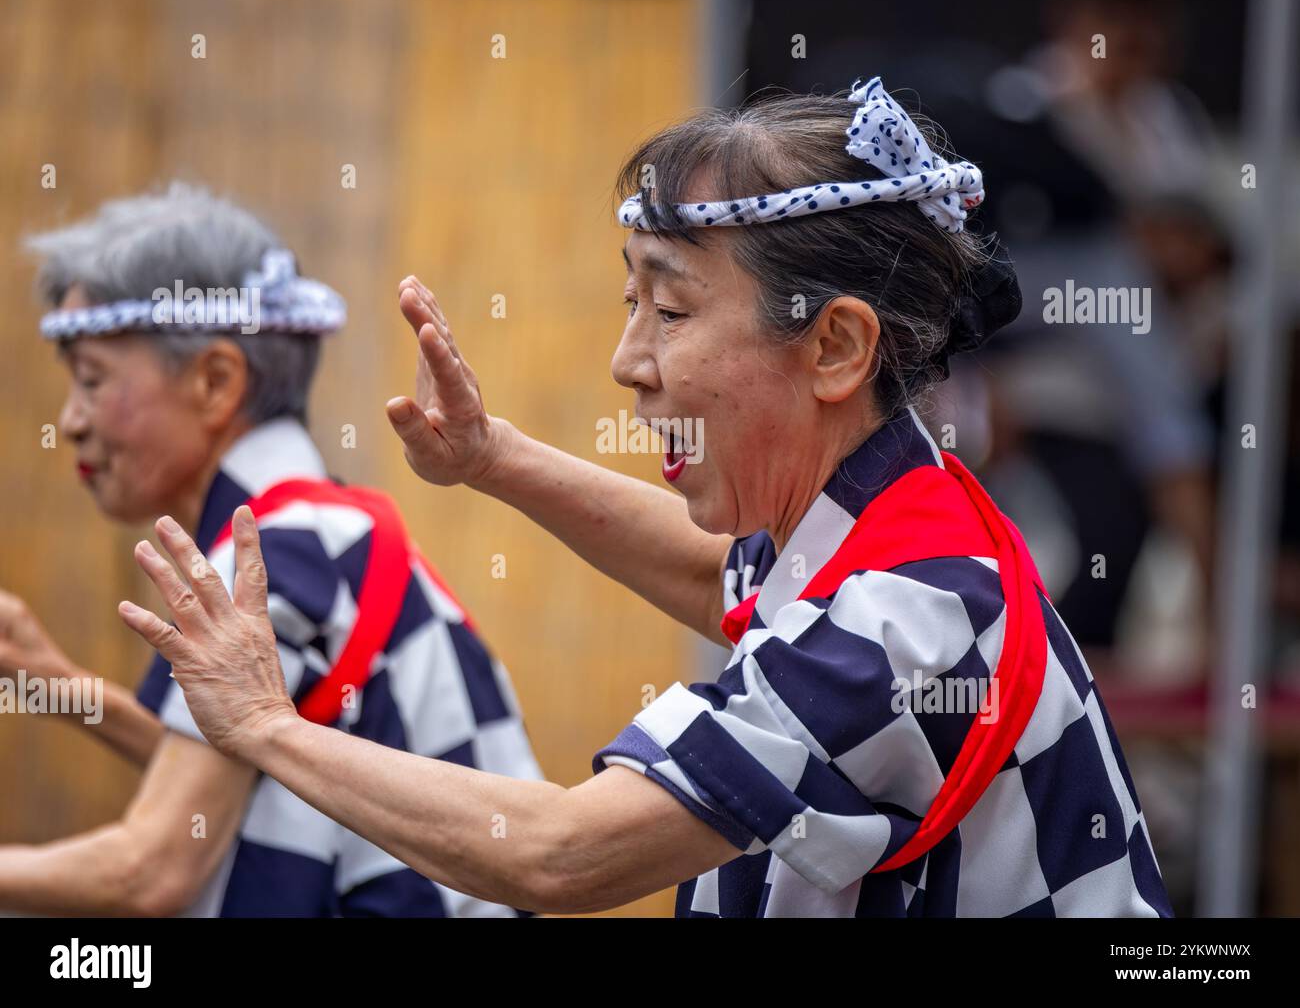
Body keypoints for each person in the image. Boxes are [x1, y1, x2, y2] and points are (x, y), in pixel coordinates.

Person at [119, 81, 1173, 917]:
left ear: (836, 345)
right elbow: (720, 575)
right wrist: (492, 459)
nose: (627, 361)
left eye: (670, 307)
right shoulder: (874, 516)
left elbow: (557, 855)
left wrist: (265, 723)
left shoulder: (909, 614)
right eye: (632, 301)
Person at [0, 183, 541, 917]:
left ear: (217, 381)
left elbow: (150, 871)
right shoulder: (313, 533)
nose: (68, 421)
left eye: (92, 380)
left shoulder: (270, 563)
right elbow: (244, 760)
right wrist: (57, 684)